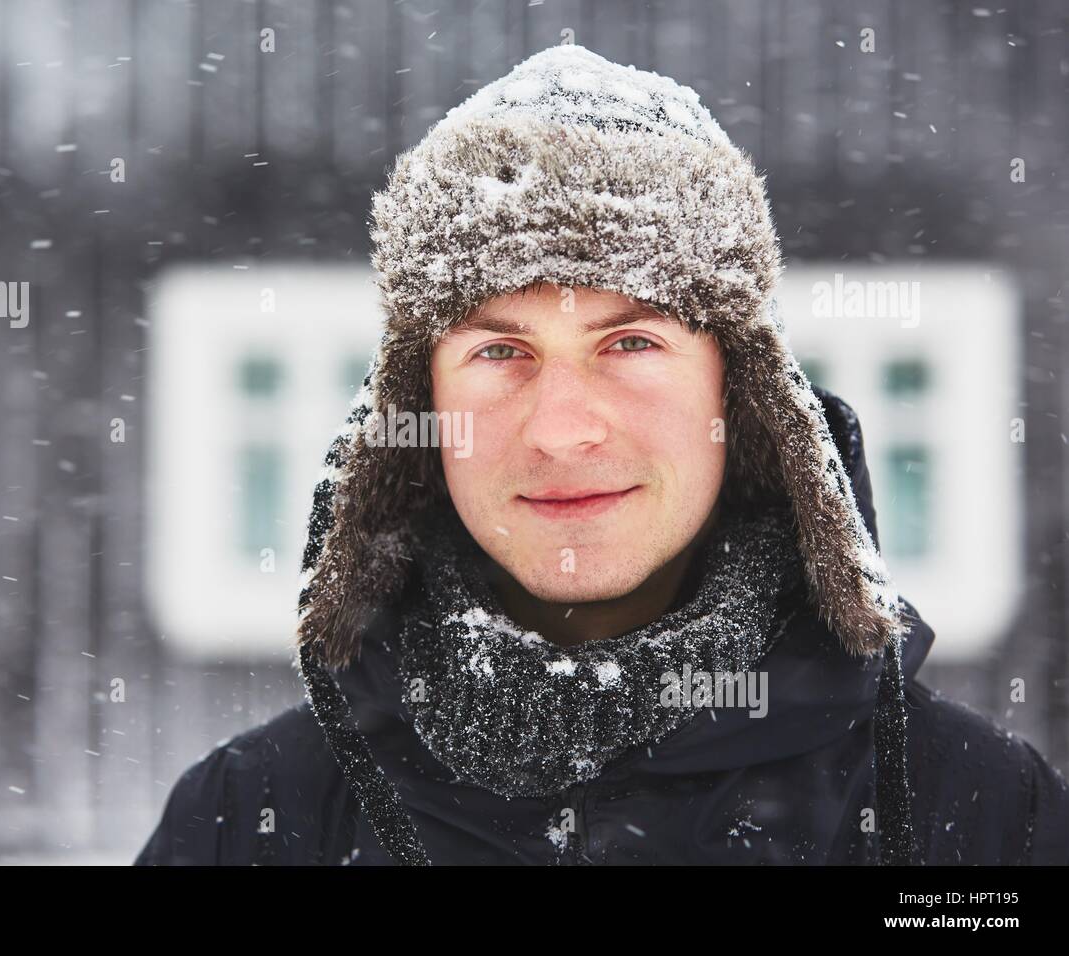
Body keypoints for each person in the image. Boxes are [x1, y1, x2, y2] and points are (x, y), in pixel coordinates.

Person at [135, 44, 1068, 865]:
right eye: (499, 352)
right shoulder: (251, 820)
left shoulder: (975, 816)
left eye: (631, 344)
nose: (562, 429)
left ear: (739, 400)